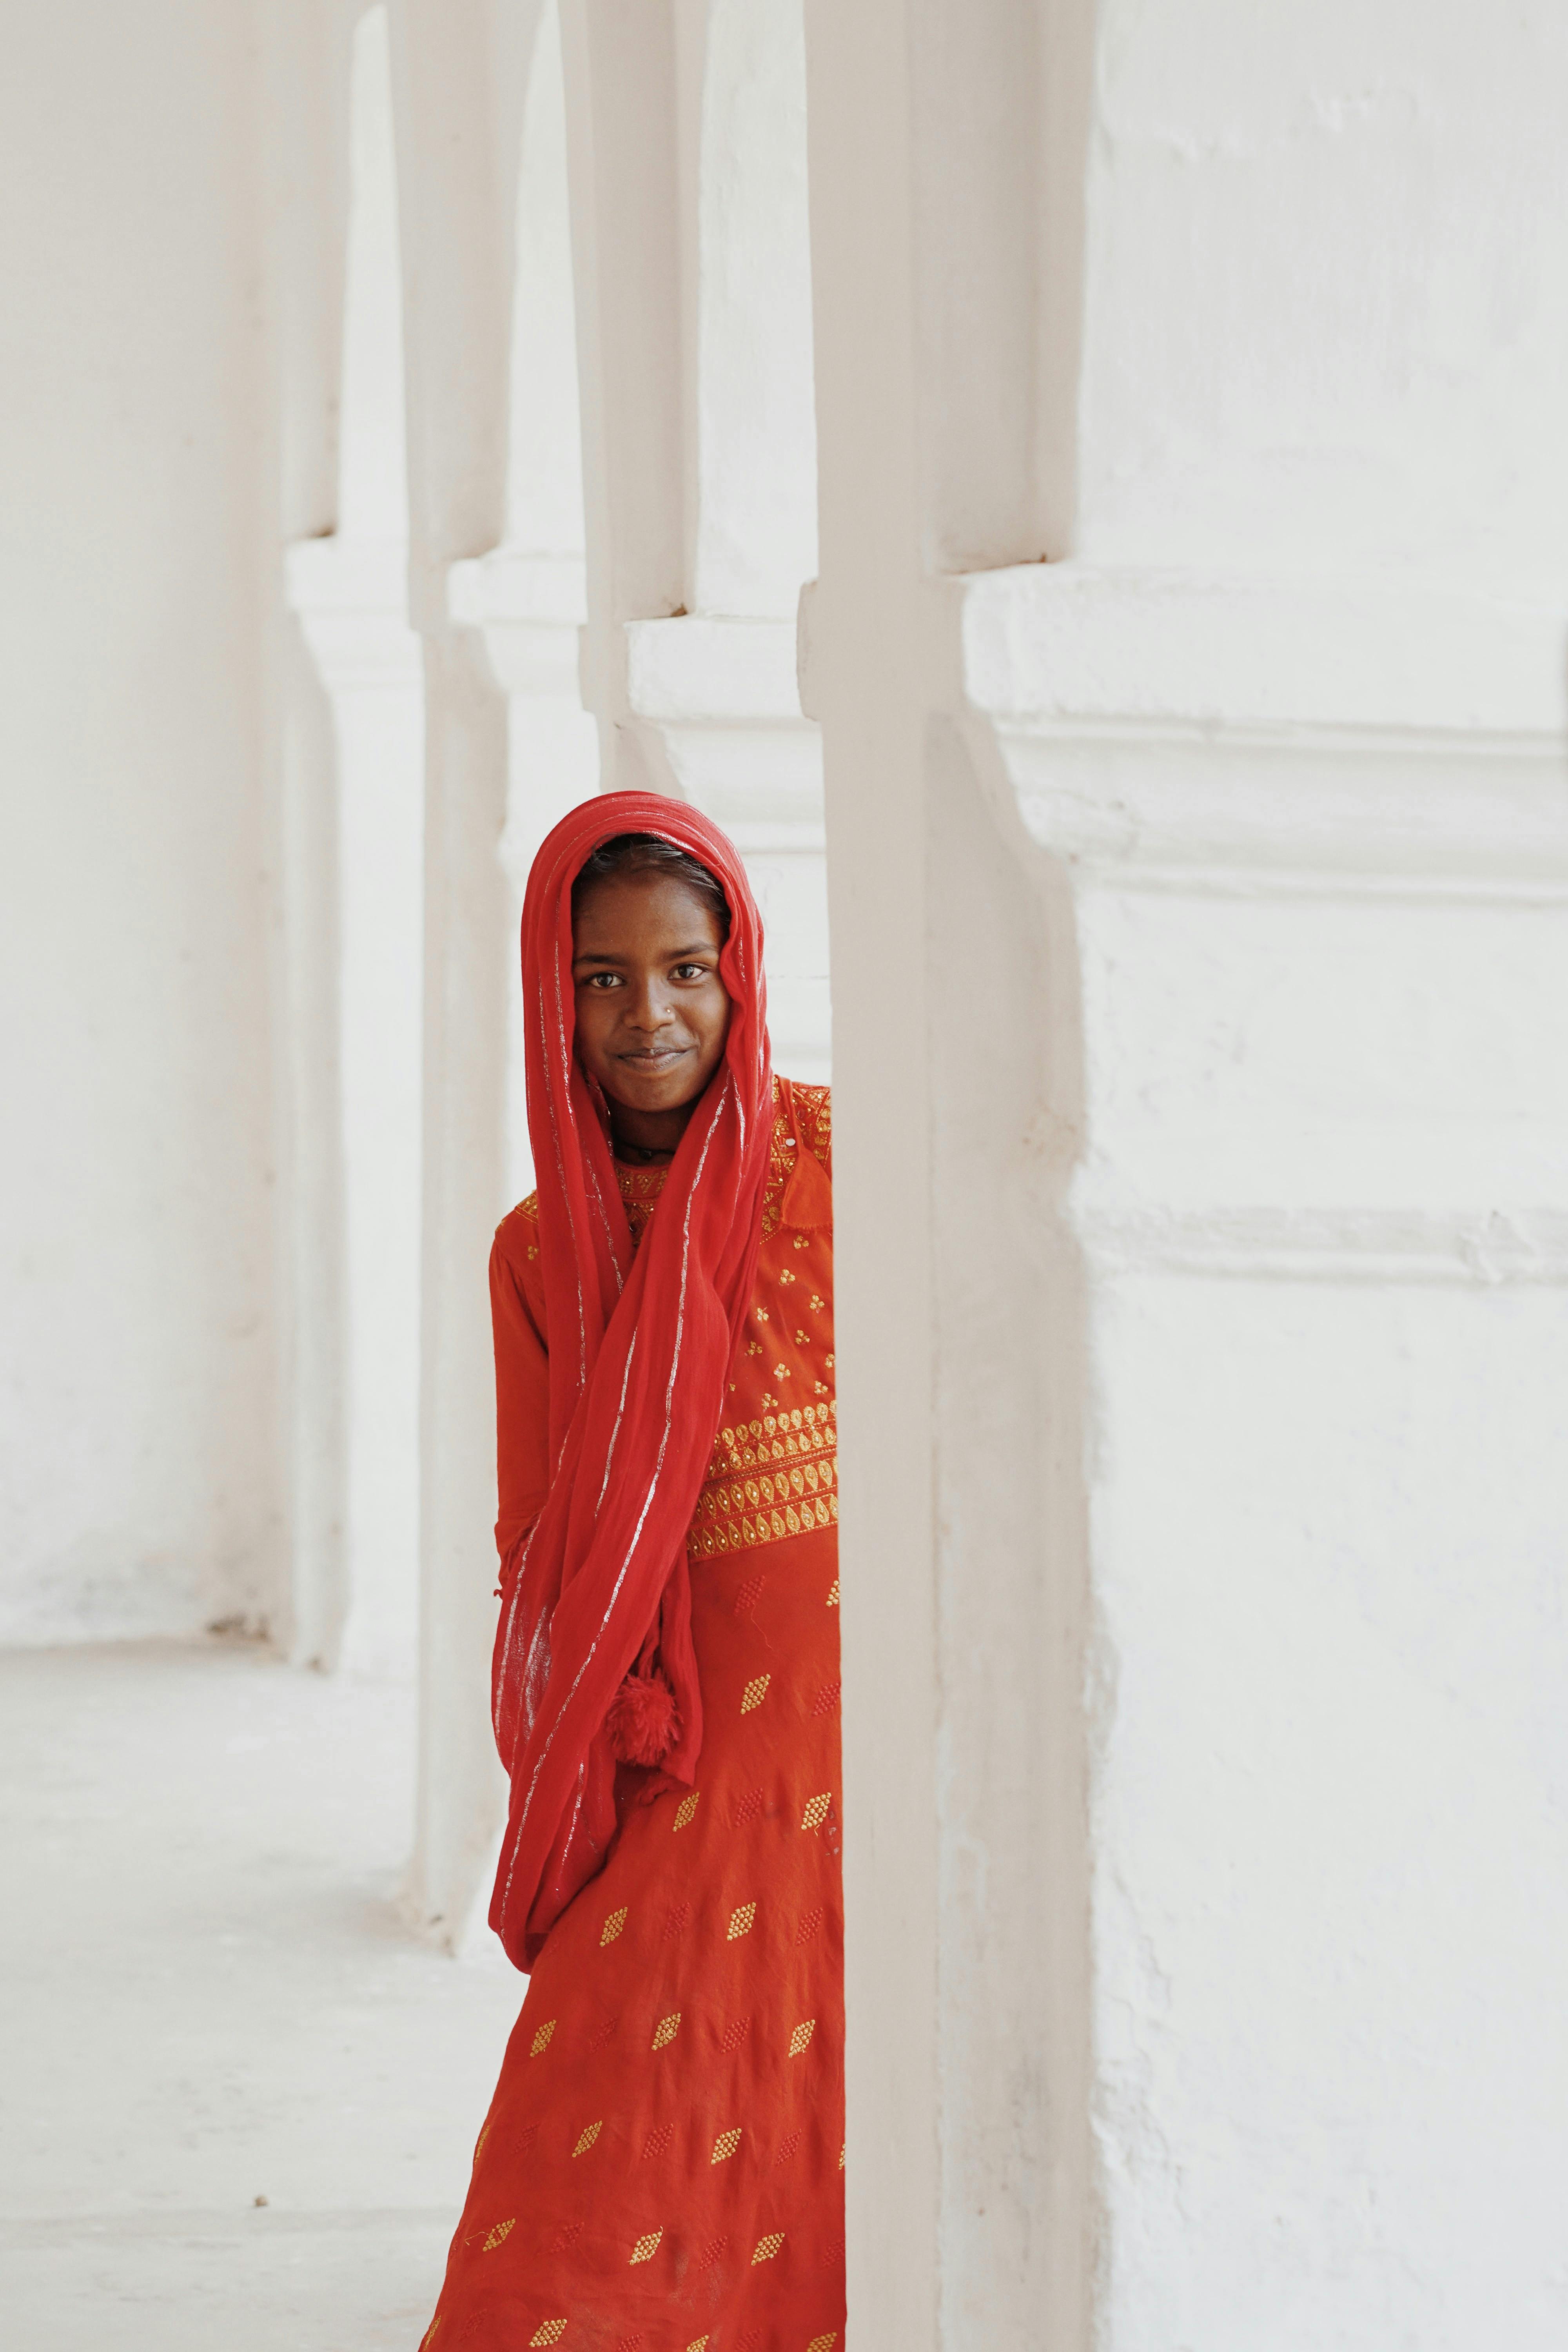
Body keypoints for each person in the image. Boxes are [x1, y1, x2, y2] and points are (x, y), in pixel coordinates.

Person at [421, 792, 844, 2352]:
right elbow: (539, 1545)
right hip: (665, 1739)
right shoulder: (540, 1250)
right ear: (554, 994)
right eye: (601, 977)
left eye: (682, 968)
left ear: (739, 974)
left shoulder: (838, 1164)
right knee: (599, 2104)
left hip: (857, 1733)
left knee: (814, 2100)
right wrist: (592, 1728)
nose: (646, 1012)